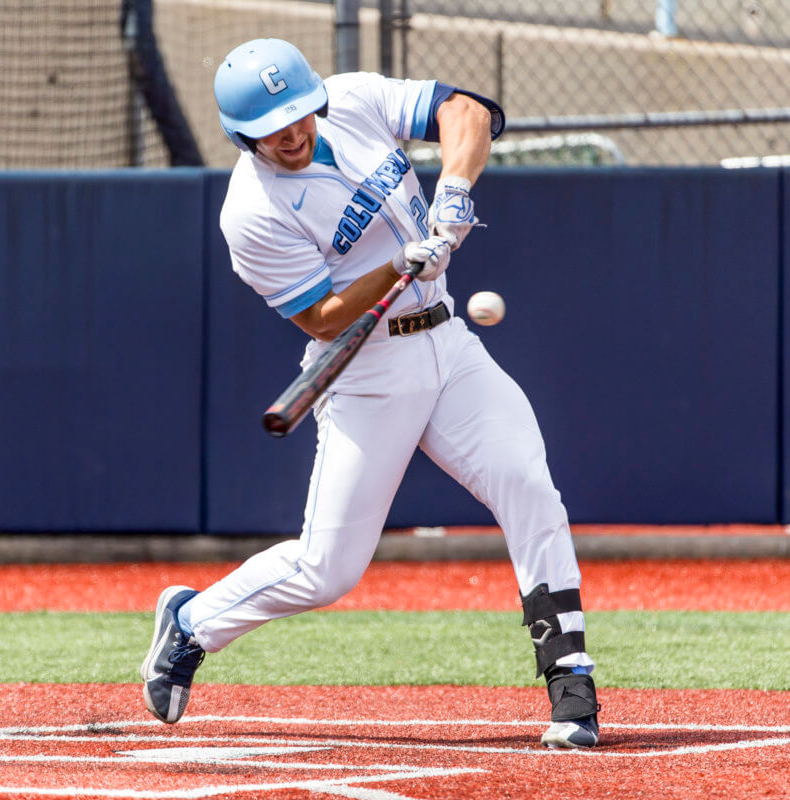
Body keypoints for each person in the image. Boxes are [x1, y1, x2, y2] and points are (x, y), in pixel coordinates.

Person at [139, 38, 600, 749]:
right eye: (272, 129)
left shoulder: (353, 98)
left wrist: (453, 189)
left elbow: (467, 112)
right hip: (366, 369)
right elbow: (322, 316)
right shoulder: (251, 213)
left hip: (449, 342)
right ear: (243, 136)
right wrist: (395, 267)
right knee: (326, 571)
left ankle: (569, 680)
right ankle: (193, 622)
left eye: (298, 114)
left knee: (527, 484)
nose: (292, 134)